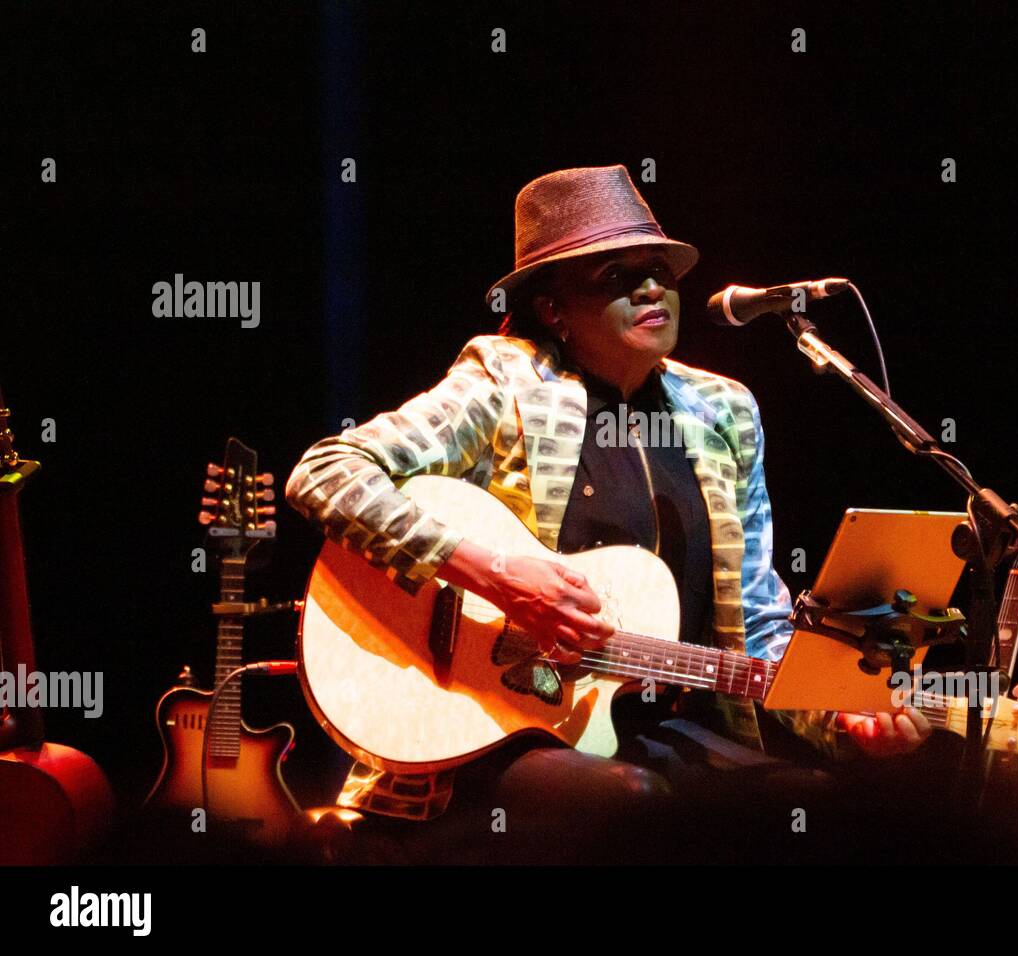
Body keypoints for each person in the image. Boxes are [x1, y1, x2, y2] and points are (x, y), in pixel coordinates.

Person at [285, 165, 930, 856]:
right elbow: (326, 473)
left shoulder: (724, 413)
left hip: (664, 729)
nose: (651, 287)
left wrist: (844, 716)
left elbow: (757, 618)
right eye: (614, 276)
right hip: (497, 724)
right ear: (552, 308)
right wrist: (496, 574)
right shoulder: (504, 382)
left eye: (659, 269)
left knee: (823, 807)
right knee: (635, 808)